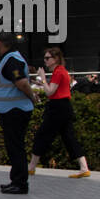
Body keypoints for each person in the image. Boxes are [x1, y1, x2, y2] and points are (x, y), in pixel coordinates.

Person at [28, 46, 91, 180]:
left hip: (57, 108)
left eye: (47, 58)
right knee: (68, 137)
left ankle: (31, 167)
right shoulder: (62, 71)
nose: (45, 61)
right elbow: (55, 89)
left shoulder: (58, 72)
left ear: (55, 58)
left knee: (42, 135)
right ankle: (84, 167)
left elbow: (49, 91)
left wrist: (43, 78)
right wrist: (42, 81)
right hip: (63, 106)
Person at [0, 31, 36, 194]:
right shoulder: (9, 59)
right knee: (14, 146)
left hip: (15, 110)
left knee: (16, 146)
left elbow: (21, 82)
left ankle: (20, 183)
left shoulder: (11, 60)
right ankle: (16, 179)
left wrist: (32, 97)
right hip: (12, 110)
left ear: (0, 42)